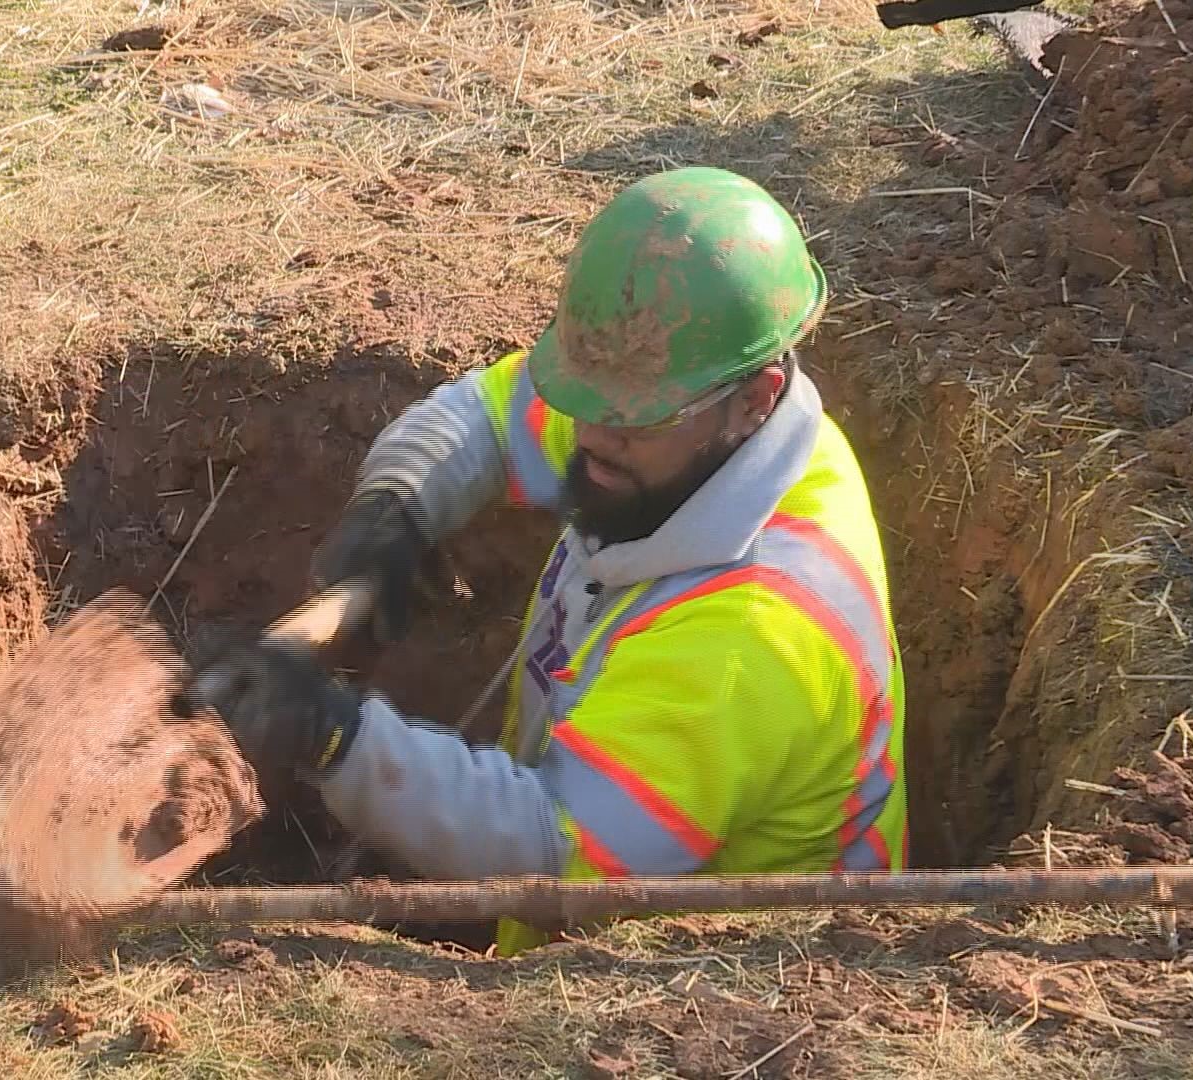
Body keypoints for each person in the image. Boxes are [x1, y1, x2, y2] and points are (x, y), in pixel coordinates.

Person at [187, 166, 909, 955]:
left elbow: (556, 850)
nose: (589, 437)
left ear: (756, 397)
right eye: (583, 403)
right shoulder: (674, 420)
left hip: (696, 1003)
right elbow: (489, 416)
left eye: (626, 423)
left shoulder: (757, 636)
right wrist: (395, 507)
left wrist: (333, 739)